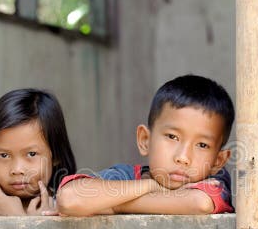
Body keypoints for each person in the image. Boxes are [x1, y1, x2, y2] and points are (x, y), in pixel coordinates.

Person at [56, 74, 234, 216]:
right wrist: (150, 186)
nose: (183, 157)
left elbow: (198, 203)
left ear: (218, 161)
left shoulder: (216, 182)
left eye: (202, 145)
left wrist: (113, 205)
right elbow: (70, 198)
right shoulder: (125, 176)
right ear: (144, 140)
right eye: (172, 136)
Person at [0, 88, 77, 216]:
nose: (17, 169)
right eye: (4, 155)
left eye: (31, 154)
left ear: (56, 155)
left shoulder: (71, 212)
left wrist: (18, 220)